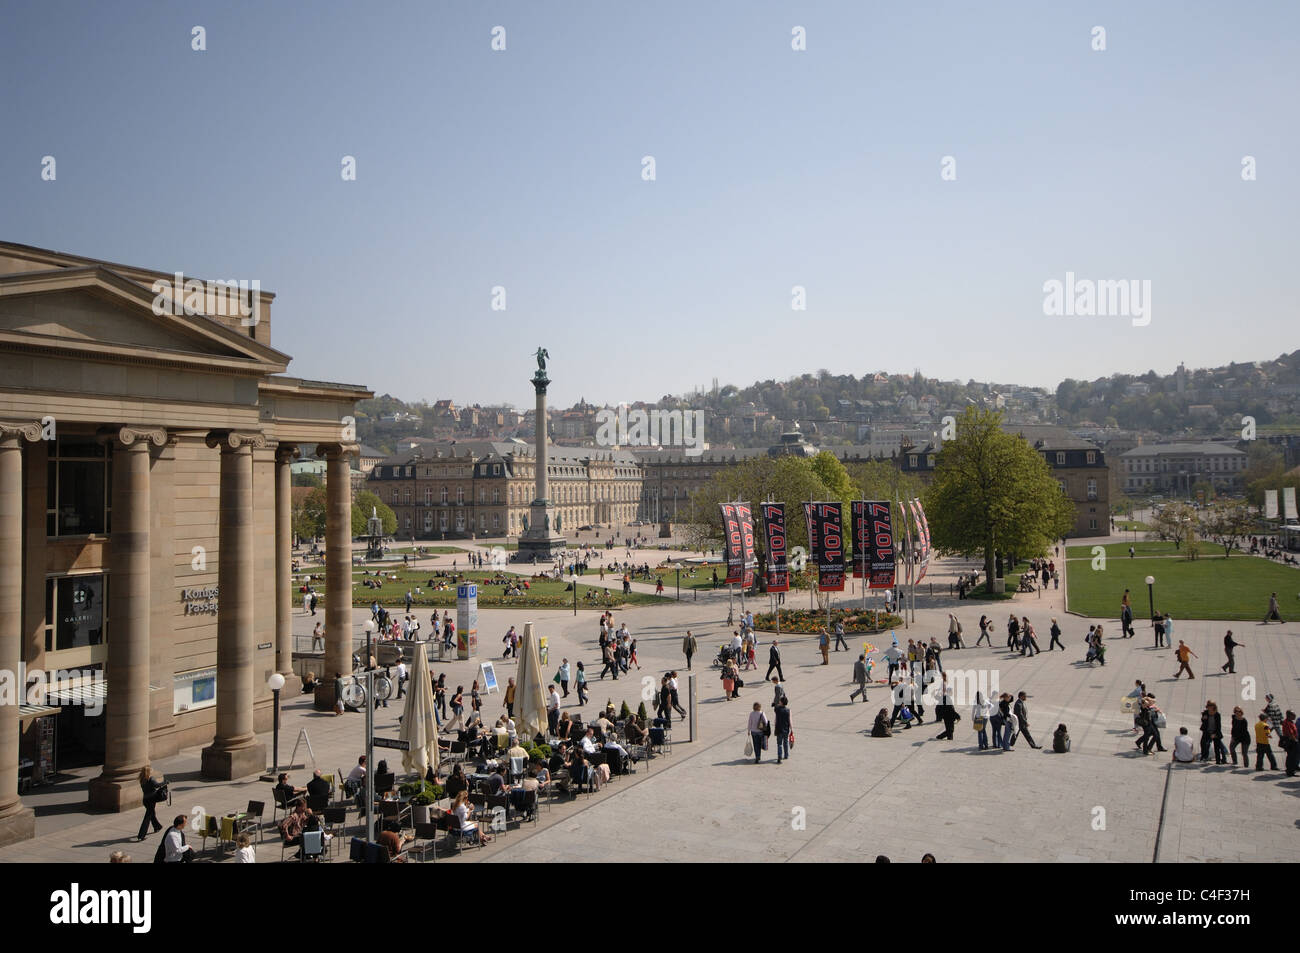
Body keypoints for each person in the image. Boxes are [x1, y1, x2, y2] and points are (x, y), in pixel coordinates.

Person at [137, 766, 166, 841]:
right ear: (149, 772)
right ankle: (141, 835)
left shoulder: (142, 779)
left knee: (151, 813)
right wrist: (165, 782)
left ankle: (157, 826)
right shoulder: (151, 779)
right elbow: (157, 785)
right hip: (151, 799)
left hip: (145, 800)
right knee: (147, 817)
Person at [774, 695, 792, 764]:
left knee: (779, 743)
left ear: (781, 702)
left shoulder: (777, 709)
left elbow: (775, 719)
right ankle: (786, 755)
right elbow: (790, 720)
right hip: (786, 729)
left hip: (779, 729)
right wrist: (791, 728)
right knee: (785, 742)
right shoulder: (788, 710)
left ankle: (779, 756)